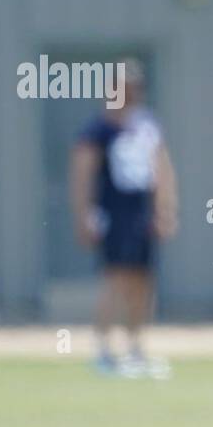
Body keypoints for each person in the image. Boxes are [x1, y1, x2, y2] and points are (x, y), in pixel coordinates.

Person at [70, 58, 177, 378]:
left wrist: (166, 209)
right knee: (116, 279)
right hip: (113, 212)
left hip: (141, 211)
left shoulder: (147, 126)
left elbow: (162, 170)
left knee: (143, 282)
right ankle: (104, 350)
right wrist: (83, 215)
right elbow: (82, 175)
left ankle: (136, 348)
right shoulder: (98, 130)